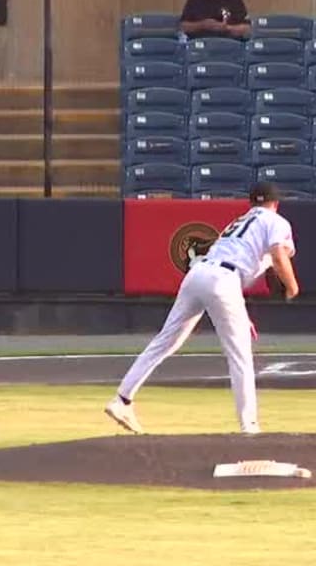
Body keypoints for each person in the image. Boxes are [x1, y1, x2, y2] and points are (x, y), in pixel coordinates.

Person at [105, 181, 299, 436]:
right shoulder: (276, 221)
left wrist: (242, 314)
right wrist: (293, 286)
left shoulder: (238, 223)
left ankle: (122, 400)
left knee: (165, 341)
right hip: (224, 280)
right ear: (275, 203)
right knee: (240, 356)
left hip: (198, 274)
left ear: (252, 202)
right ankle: (249, 427)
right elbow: (278, 254)